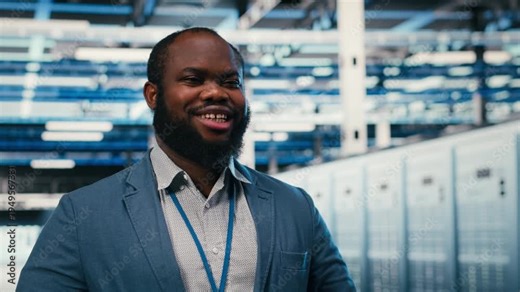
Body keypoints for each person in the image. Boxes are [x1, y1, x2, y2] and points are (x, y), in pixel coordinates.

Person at [18, 27, 356, 291]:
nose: (216, 92)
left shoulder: (294, 207)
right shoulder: (83, 215)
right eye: (193, 79)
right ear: (153, 95)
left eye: (230, 81)